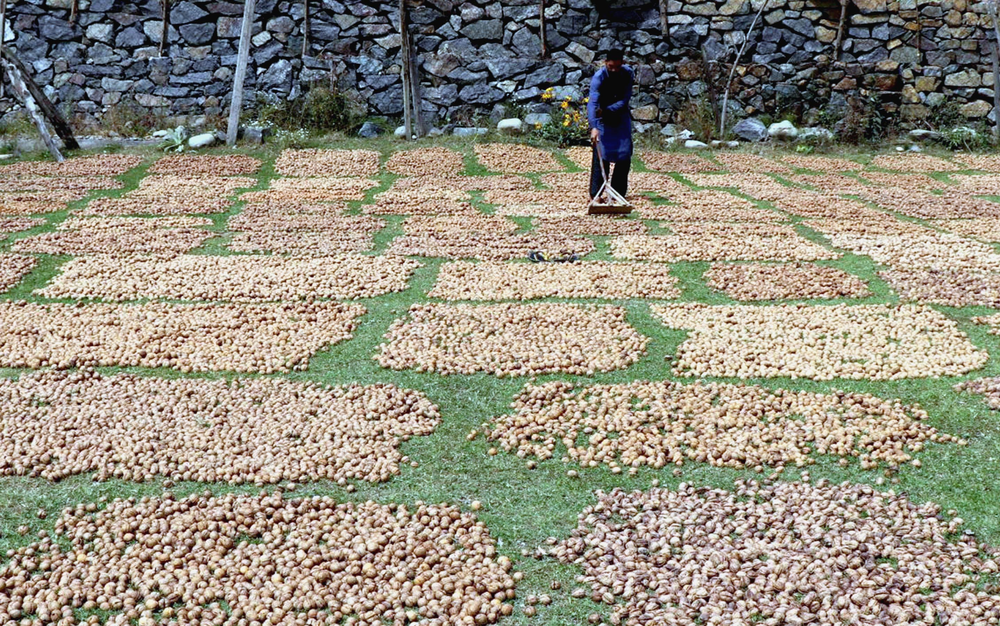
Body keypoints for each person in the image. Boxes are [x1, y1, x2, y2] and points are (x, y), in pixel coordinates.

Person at [587, 48, 634, 202]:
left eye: (617, 67)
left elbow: (625, 99)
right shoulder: (599, 78)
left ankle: (617, 192)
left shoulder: (627, 74)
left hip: (619, 116)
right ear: (605, 63)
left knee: (624, 153)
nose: (614, 70)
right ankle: (596, 193)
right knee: (602, 153)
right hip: (601, 118)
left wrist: (608, 110)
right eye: (610, 67)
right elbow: (593, 102)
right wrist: (593, 126)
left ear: (622, 64)